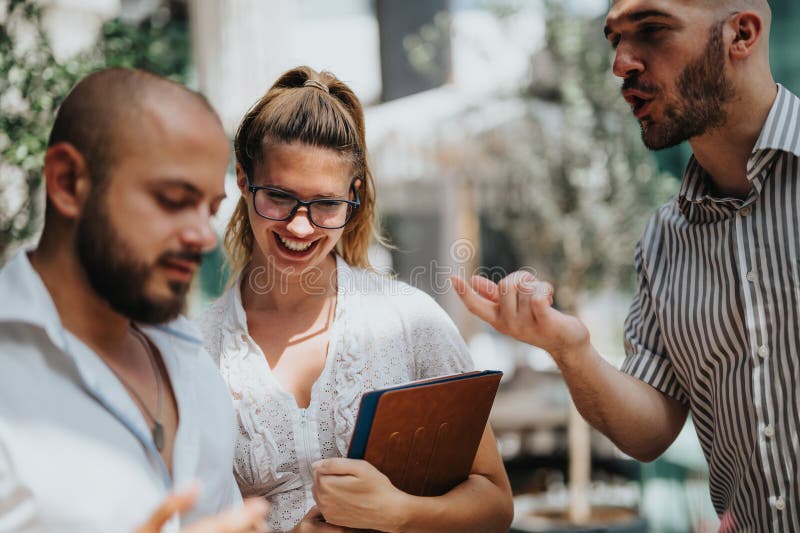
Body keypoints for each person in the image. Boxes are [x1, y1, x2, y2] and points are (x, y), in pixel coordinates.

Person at [453, 0, 800, 531]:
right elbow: (649, 432)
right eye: (615, 39)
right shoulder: (665, 240)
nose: (622, 63)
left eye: (653, 29)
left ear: (743, 34)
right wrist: (568, 349)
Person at [198, 65, 514, 533]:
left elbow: (495, 504)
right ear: (243, 180)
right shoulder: (196, 348)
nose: (300, 227)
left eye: (325, 204)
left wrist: (401, 514)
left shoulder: (411, 322)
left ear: (355, 196)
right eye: (279, 197)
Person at [0, 68, 269, 532]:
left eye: (209, 208)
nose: (204, 236)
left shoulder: (194, 363)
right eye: (172, 199)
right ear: (67, 182)